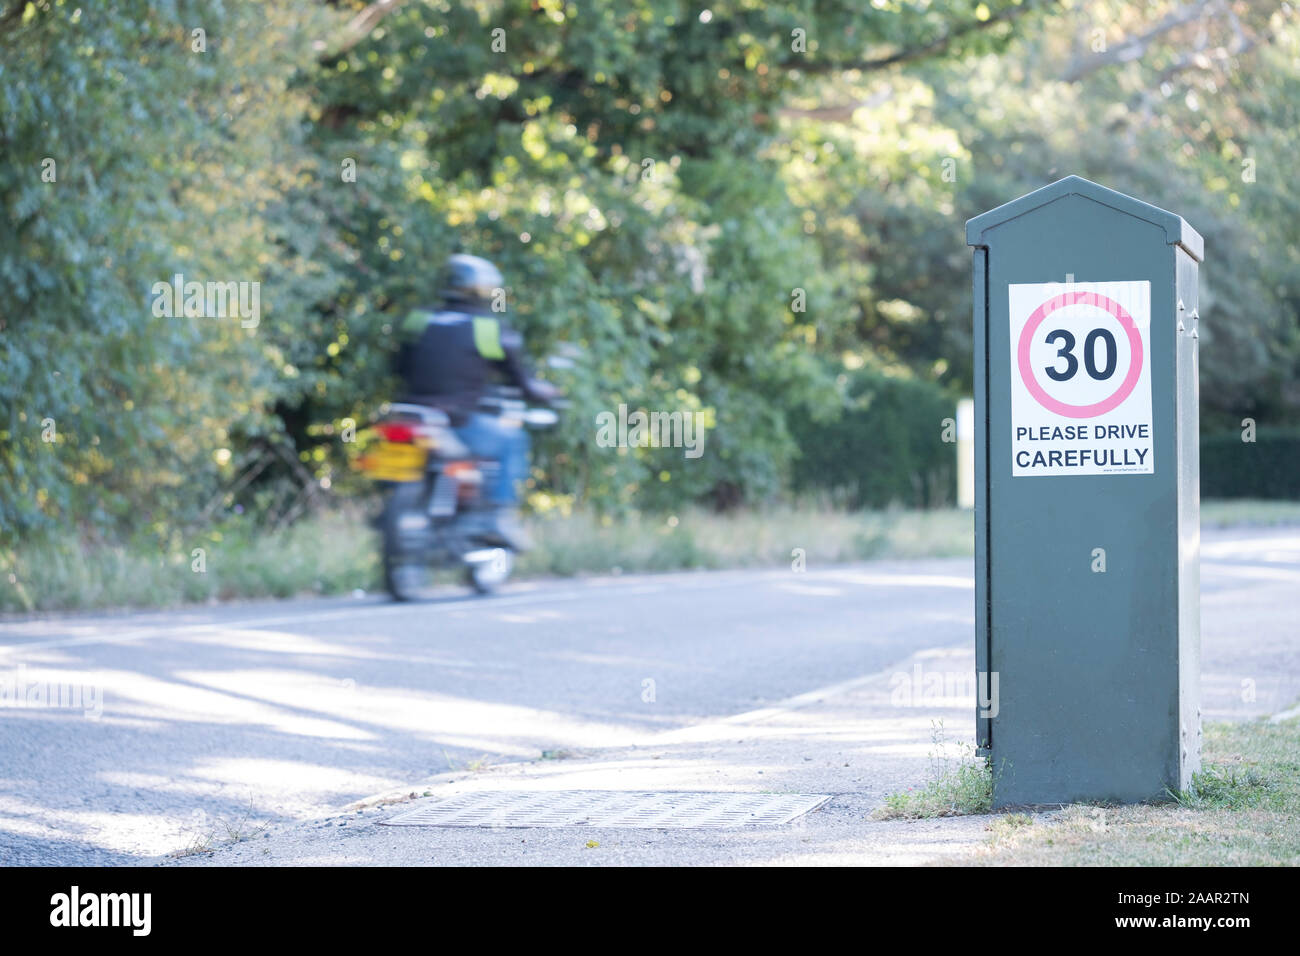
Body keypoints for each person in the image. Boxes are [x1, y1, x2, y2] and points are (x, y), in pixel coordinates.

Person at [395, 253, 559, 549]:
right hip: (455, 420)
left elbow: (398, 366)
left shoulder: (419, 319)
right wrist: (546, 392)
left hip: (409, 414)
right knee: (513, 440)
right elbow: (519, 379)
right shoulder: (485, 327)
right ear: (482, 290)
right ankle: (497, 518)